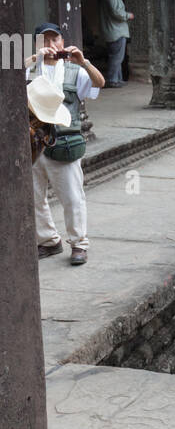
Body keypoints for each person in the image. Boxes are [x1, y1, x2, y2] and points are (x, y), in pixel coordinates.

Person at [25, 22, 105, 266]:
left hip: (64, 142)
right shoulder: (30, 69)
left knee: (72, 197)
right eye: (44, 40)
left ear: (62, 41)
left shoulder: (74, 69)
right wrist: (32, 58)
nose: (50, 45)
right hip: (33, 144)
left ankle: (79, 243)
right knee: (34, 197)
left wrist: (84, 62)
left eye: (55, 39)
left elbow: (99, 83)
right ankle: (48, 241)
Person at [99, 0, 134, 87]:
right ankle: (111, 80)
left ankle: (117, 79)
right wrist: (128, 15)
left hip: (112, 31)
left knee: (117, 57)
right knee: (116, 57)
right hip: (116, 32)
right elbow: (116, 13)